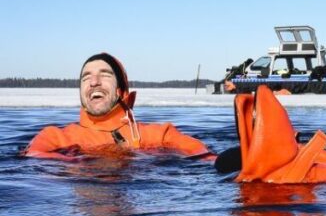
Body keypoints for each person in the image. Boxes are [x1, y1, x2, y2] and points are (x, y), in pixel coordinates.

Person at [22, 53, 213, 161]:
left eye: (104, 74)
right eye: (86, 77)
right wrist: (80, 163)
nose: (94, 82)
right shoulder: (55, 137)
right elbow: (34, 157)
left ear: (121, 91)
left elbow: (204, 156)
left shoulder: (160, 134)